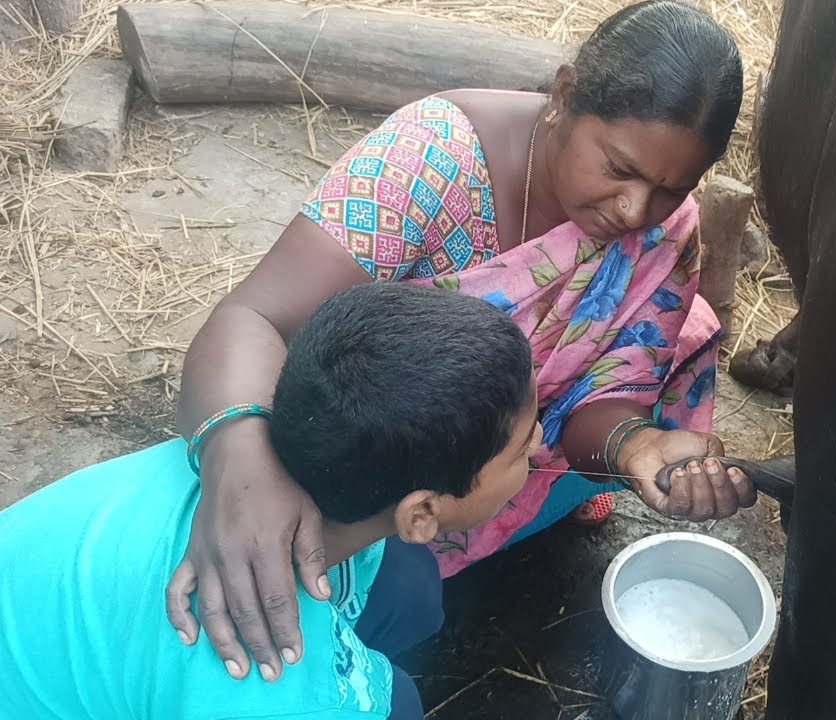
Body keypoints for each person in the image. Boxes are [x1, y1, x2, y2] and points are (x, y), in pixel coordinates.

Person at [169, 0, 756, 685]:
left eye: (671, 188)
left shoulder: (666, 230)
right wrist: (241, 461)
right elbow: (253, 320)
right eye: (618, 167)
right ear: (564, 97)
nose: (635, 211)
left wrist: (634, 444)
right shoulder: (430, 161)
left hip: (507, 453)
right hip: (384, 446)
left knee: (664, 378)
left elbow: (604, 394)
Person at [0, 283, 540, 719]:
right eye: (520, 448)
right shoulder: (266, 681)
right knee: (398, 706)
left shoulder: (245, 459)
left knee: (407, 586)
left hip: (54, 633)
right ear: (421, 512)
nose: (538, 444)